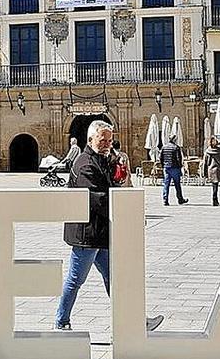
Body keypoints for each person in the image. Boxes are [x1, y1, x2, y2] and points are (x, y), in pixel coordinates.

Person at [56, 120, 164, 332]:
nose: (107, 143)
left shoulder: (101, 159)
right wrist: (128, 214)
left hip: (100, 233)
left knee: (115, 278)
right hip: (87, 235)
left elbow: (113, 183)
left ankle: (136, 320)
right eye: (102, 139)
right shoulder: (85, 163)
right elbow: (98, 199)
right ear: (90, 139)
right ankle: (61, 322)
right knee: (75, 279)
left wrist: (118, 167)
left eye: (110, 139)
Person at [160, 135, 189, 206]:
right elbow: (179, 158)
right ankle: (180, 199)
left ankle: (165, 200)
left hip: (167, 168)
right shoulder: (176, 147)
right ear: (174, 140)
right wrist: (180, 166)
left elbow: (161, 158)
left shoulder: (164, 147)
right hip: (175, 168)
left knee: (166, 184)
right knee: (177, 184)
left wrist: (163, 165)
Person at [203, 137, 220, 206]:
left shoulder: (207, 151)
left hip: (210, 170)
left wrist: (204, 173)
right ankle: (215, 199)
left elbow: (205, 163)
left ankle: (214, 199)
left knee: (214, 184)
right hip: (217, 169)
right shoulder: (219, 151)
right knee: (215, 185)